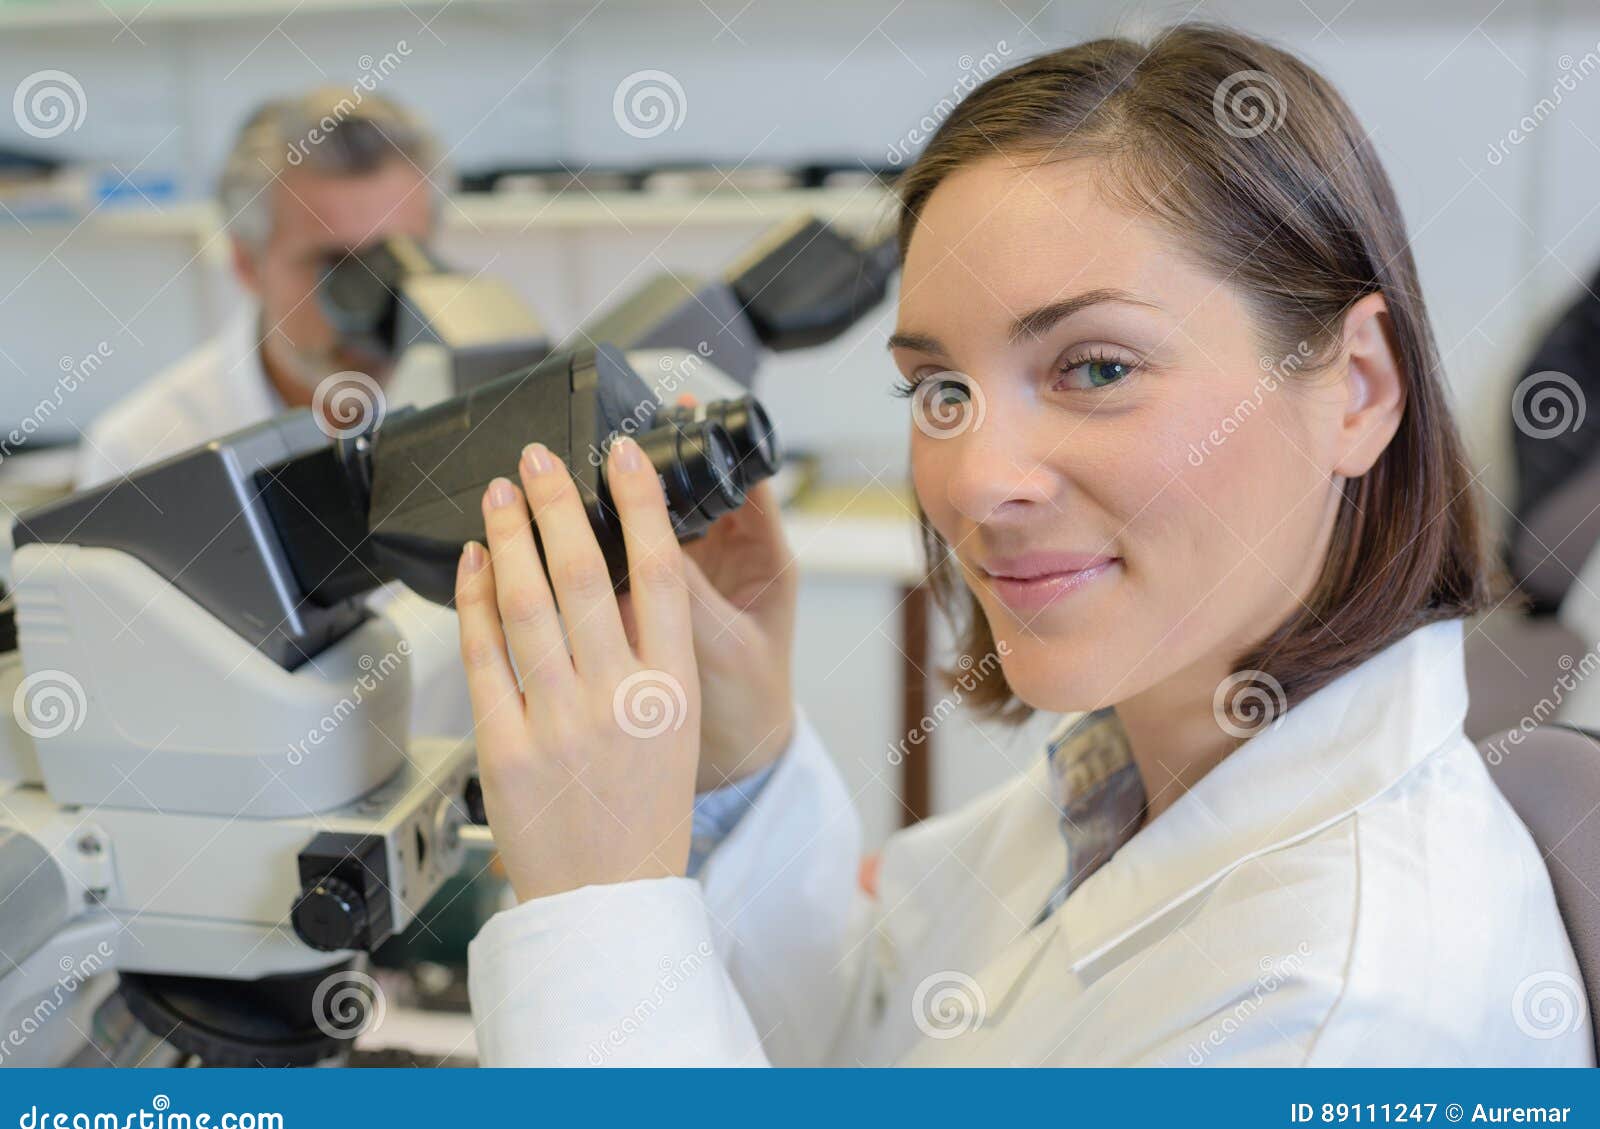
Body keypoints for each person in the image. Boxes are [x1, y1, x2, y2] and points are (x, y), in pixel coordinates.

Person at [457, 25, 1594, 1065]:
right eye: (938, 387)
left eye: (1095, 368)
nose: (976, 481)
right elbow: (865, 1042)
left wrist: (595, 911)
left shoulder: (1333, 1023)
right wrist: (741, 762)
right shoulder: (1124, 779)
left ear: (1355, 389)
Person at [76, 88, 468, 739]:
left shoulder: (481, 404)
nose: (374, 307)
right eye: (337, 267)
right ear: (243, 262)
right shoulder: (141, 451)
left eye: (398, 259)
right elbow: (132, 716)